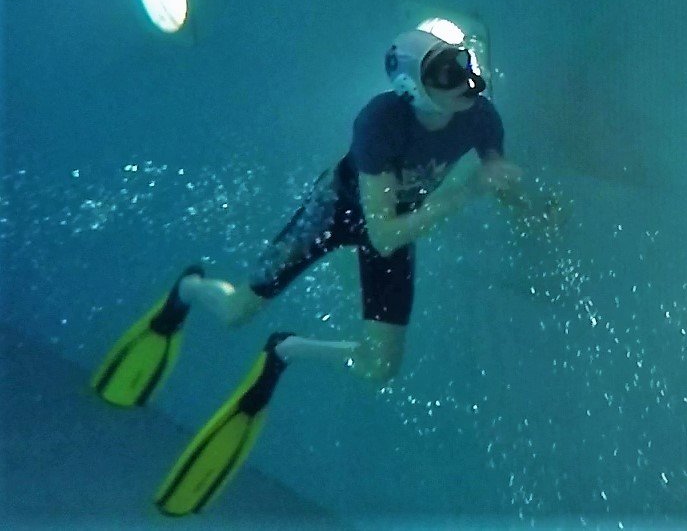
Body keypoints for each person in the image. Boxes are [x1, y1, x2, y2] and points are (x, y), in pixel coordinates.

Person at [90, 29, 564, 516]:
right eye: (446, 71)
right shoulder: (380, 121)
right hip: (335, 211)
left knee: (381, 368)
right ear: (413, 88)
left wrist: (531, 209)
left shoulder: (480, 115)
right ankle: (189, 288)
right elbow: (383, 234)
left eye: (461, 62)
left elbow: (496, 176)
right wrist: (463, 195)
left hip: (399, 221)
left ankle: (286, 350)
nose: (464, 78)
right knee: (236, 311)